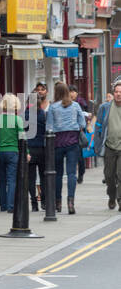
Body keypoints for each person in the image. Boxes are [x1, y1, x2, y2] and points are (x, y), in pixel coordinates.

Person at [46, 81, 87, 215]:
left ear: (56, 92)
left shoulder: (52, 107)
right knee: (71, 174)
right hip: (72, 141)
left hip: (57, 142)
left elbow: (49, 127)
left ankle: (58, 202)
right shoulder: (75, 106)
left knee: (57, 173)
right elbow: (82, 123)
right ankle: (70, 202)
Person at [0, 94, 24, 213]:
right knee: (12, 180)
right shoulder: (17, 119)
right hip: (13, 152)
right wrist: (27, 152)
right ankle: (11, 206)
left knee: (2, 180)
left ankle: (3, 205)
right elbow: (22, 138)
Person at [92, 79, 121, 210]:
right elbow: (97, 128)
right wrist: (97, 147)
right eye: (116, 92)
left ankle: (120, 199)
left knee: (120, 175)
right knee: (109, 176)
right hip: (109, 146)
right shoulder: (105, 107)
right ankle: (111, 196)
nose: (118, 94)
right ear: (113, 93)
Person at [24, 82, 48, 212]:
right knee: (43, 176)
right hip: (42, 149)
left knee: (31, 178)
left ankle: (34, 203)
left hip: (29, 149)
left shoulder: (24, 115)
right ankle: (43, 201)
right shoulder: (42, 114)